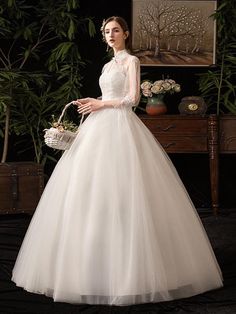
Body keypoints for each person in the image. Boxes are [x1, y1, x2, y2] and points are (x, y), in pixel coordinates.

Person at [12, 16, 223, 306]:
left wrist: (102, 103)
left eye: (115, 31)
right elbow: (110, 95)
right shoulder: (107, 65)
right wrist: (93, 102)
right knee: (89, 190)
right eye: (106, 32)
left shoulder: (130, 61)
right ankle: (91, 261)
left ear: (126, 33)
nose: (111, 35)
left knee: (126, 188)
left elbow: (132, 99)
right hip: (100, 124)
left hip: (122, 126)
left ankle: (133, 267)